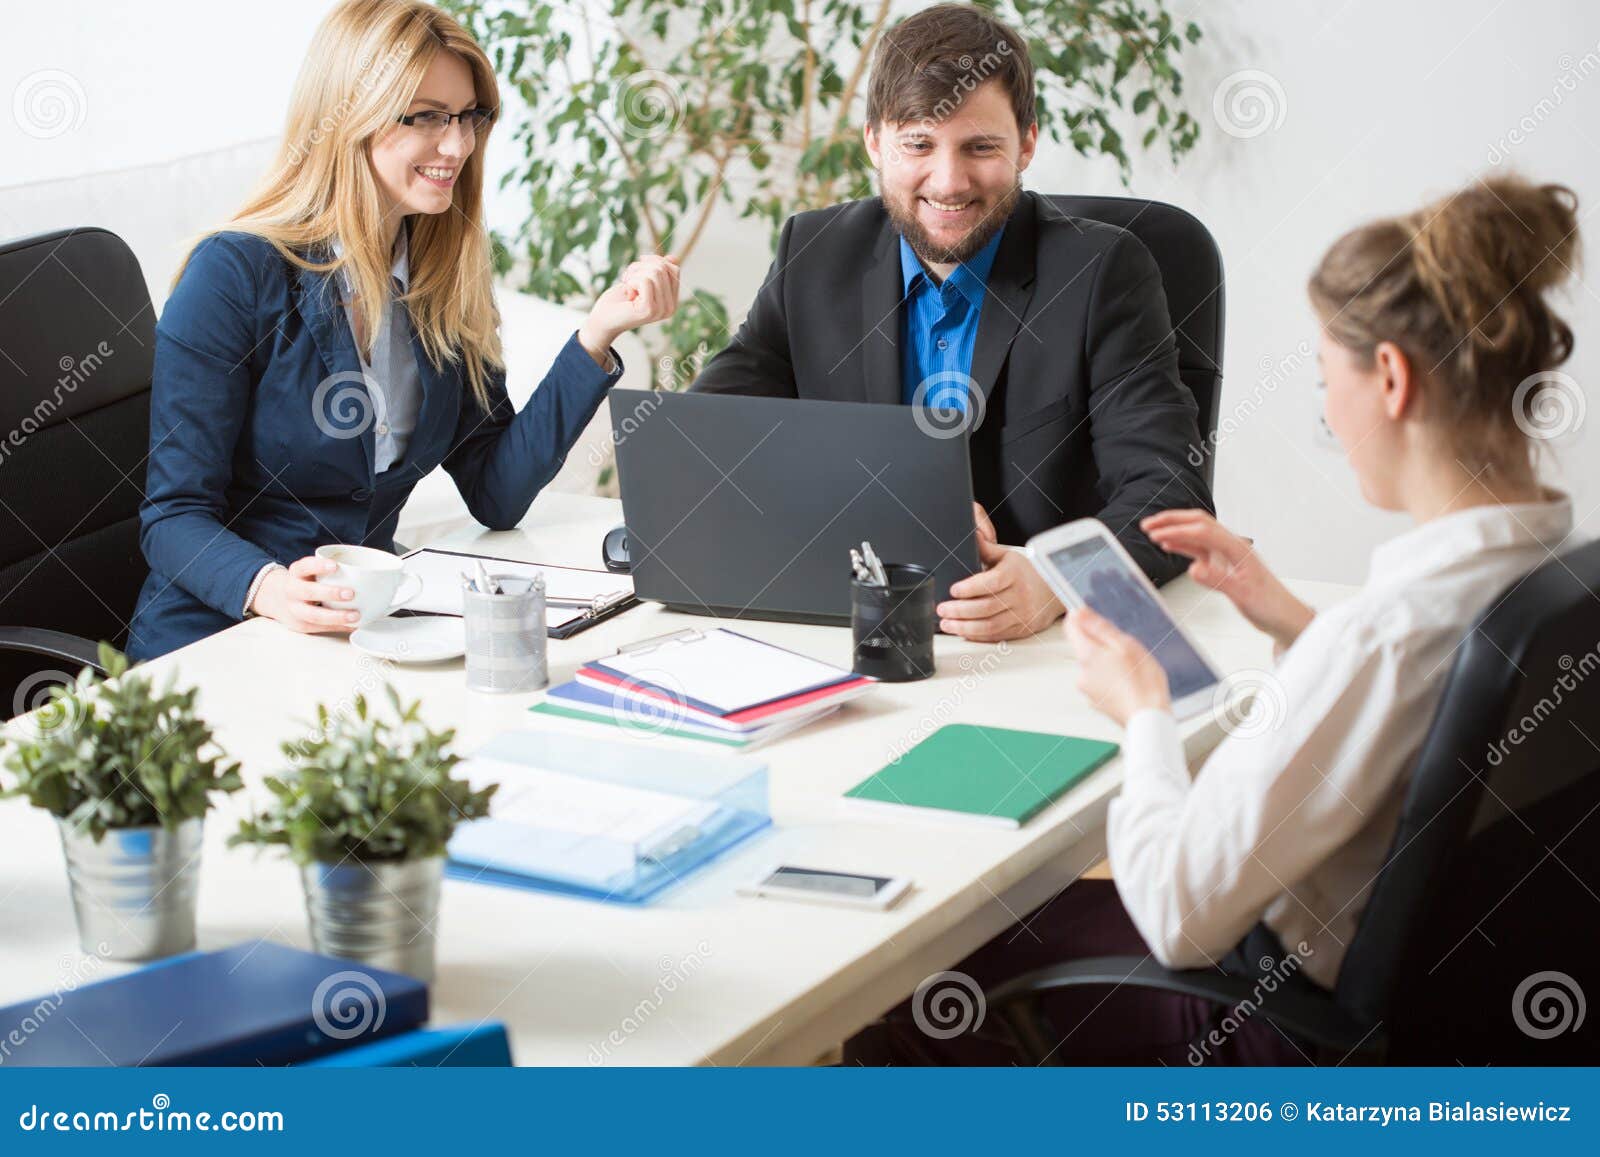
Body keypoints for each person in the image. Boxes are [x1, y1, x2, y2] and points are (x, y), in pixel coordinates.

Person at [848, 174, 1581, 1064]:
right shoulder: (1545, 579)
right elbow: (1421, 724)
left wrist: (1144, 710)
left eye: (1325, 379)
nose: (1329, 414)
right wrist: (1292, 621)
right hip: (1442, 1015)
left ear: (1390, 378)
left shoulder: (1383, 635)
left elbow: (1176, 914)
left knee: (916, 977)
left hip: (1258, 1034)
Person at [127, 0, 679, 660]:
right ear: (348, 118)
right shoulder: (234, 274)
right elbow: (173, 515)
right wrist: (269, 587)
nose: (458, 144)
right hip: (217, 638)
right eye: (425, 117)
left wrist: (596, 334)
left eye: (468, 116)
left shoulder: (438, 276)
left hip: (358, 640)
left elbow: (496, 491)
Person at [691, 3, 1210, 643]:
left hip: (1038, 649)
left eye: (980, 147)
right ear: (875, 142)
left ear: (1026, 143)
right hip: (856, 627)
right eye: (919, 144)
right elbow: (712, 433)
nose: (949, 181)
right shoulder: (815, 253)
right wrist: (897, 503)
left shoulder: (1103, 271)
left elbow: (1170, 490)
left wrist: (1059, 579)